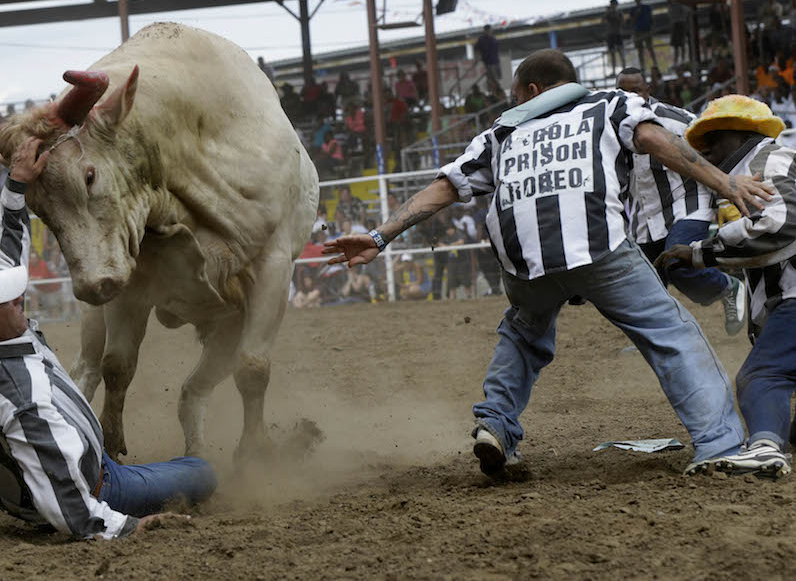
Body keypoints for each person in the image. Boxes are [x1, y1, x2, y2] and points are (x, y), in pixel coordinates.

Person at [324, 49, 774, 477]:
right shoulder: (609, 104)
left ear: (531, 88)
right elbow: (654, 137)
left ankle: (496, 424)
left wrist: (380, 236)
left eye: (516, 94)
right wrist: (726, 183)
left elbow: (445, 187)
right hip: (597, 247)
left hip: (520, 259)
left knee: (522, 333)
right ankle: (718, 444)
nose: (513, 102)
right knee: (669, 333)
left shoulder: (500, 131)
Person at [0, 137, 216, 540]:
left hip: (41, 475)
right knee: (202, 473)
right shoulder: (22, 398)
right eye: (7, 298)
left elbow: (7, 248)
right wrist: (130, 526)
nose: (19, 296)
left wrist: (17, 183)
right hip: (96, 485)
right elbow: (70, 506)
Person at [656, 95, 795, 478]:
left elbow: (781, 224)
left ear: (737, 134)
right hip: (784, 295)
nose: (707, 153)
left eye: (712, 141)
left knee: (762, 376)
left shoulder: (771, 161)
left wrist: (702, 253)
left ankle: (765, 447)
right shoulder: (758, 168)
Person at [616, 68, 746, 335]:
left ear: (648, 90)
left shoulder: (675, 120)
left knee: (677, 262)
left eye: (636, 89)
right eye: (624, 90)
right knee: (646, 283)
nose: (630, 95)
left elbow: (712, 150)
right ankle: (662, 336)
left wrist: (725, 192)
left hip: (687, 204)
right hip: (644, 216)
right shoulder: (611, 130)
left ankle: (727, 287)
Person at [630, 0, 659, 72]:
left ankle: (655, 64)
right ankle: (642, 66)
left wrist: (652, 28)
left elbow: (651, 18)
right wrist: (636, 14)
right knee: (640, 50)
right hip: (638, 31)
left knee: (650, 47)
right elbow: (632, 22)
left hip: (647, 30)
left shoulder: (647, 8)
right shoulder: (633, 10)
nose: (638, 0)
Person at [474, 25, 502, 94]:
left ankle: (496, 89)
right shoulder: (482, 39)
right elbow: (476, 49)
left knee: (496, 77)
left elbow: (497, 49)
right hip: (488, 61)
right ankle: (493, 90)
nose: (489, 32)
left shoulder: (493, 39)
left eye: (490, 30)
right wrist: (478, 56)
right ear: (485, 31)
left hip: (495, 61)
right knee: (492, 77)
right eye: (488, 30)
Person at [603, 0, 626, 74]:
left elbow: (622, 22)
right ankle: (613, 71)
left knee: (621, 52)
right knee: (612, 53)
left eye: (614, 4)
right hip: (610, 35)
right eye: (612, 4)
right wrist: (607, 13)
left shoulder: (619, 12)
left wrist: (615, 16)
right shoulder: (608, 13)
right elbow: (603, 21)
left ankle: (624, 69)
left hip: (618, 34)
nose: (613, 5)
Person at [667, 0, 689, 68]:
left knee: (681, 43)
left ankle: (683, 60)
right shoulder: (670, 6)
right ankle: (676, 61)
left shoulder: (679, 4)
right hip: (674, 25)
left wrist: (683, 20)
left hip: (680, 24)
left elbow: (687, 10)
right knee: (675, 45)